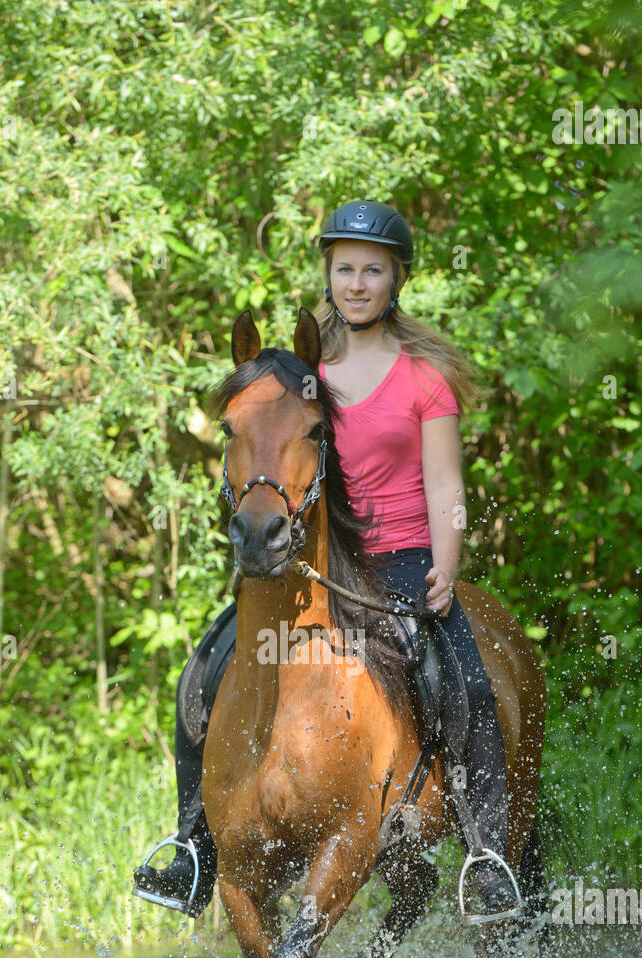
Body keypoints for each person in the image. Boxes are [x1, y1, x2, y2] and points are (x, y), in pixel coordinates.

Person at [133, 199, 515, 921]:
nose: (358, 283)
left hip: (400, 560)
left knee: (463, 676)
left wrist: (447, 561)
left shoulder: (422, 375)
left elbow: (445, 483)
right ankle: (191, 844)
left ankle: (488, 852)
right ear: (329, 274)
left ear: (396, 278)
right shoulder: (303, 372)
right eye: (345, 269)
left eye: (373, 270)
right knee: (205, 670)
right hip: (316, 564)